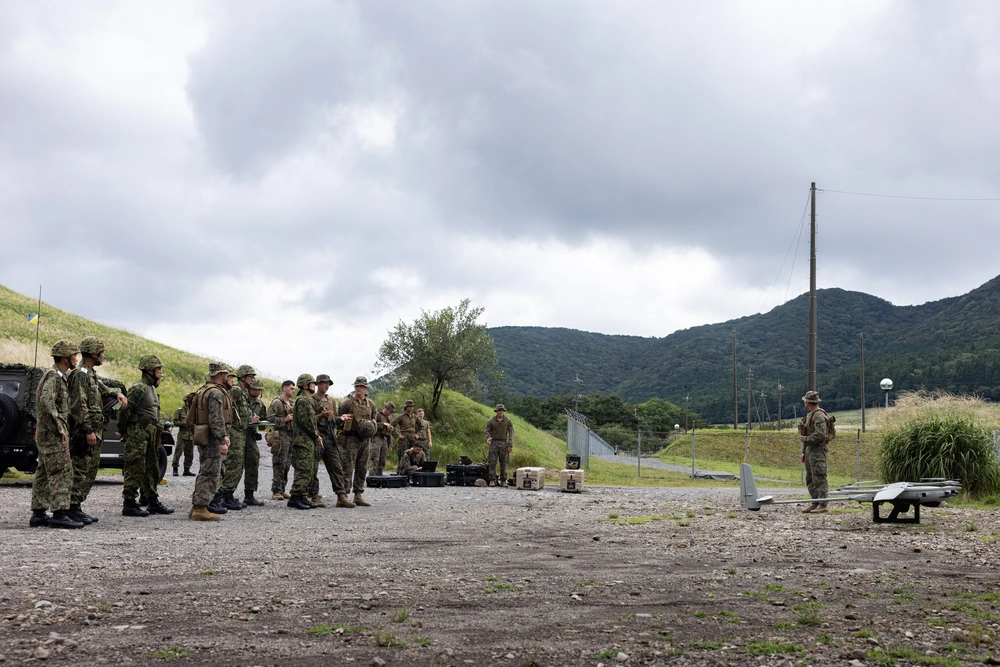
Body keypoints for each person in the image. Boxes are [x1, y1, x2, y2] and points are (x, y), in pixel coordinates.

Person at [67, 335, 126, 525]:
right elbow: (79, 405)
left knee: (90, 470)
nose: (103, 356)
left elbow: (102, 388)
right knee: (80, 469)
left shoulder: (90, 373)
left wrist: (116, 393)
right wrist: (88, 429)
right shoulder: (80, 375)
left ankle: (77, 507)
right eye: (101, 352)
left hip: (95, 431)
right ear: (93, 353)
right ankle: (71, 507)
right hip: (86, 432)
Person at [29, 340, 85, 529]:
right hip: (53, 434)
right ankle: (60, 513)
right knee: (62, 471)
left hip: (46, 434)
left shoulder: (56, 376)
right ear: (65, 358)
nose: (76, 359)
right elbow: (47, 401)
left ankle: (38, 513)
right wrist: (59, 425)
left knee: (44, 472)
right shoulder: (54, 377)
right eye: (73, 356)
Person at [118, 354, 174, 516]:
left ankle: (152, 500)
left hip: (149, 433)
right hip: (138, 433)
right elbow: (125, 410)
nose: (160, 372)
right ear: (149, 370)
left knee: (152, 467)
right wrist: (123, 430)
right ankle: (129, 503)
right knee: (135, 466)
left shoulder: (151, 388)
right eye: (158, 369)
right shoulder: (139, 388)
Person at [188, 362, 235, 521]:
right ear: (221, 374)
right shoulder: (215, 393)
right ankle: (200, 508)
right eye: (226, 373)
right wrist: (222, 438)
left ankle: (197, 506)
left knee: (205, 470)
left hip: (206, 435)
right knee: (211, 473)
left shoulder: (204, 390)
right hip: (212, 438)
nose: (228, 376)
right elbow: (216, 418)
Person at [217, 364, 258, 511]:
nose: (253, 380)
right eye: (250, 377)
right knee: (234, 464)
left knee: (238, 464)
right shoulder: (235, 391)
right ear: (243, 377)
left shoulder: (242, 392)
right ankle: (225, 495)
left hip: (241, 432)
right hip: (235, 432)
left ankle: (228, 494)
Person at [309, 374, 351, 508]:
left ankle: (341, 496)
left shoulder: (331, 401)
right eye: (324, 383)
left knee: (336, 466)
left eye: (328, 384)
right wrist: (320, 416)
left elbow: (334, 420)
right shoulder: (312, 400)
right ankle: (314, 495)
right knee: (313, 467)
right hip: (317, 436)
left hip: (329, 436)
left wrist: (340, 419)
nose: (326, 386)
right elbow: (307, 420)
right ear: (318, 384)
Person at [337, 376, 378, 507]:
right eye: (357, 386)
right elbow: (338, 420)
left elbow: (374, 420)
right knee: (347, 467)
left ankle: (358, 495)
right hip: (351, 438)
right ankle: (343, 496)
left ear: (366, 388)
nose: (359, 389)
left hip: (365, 440)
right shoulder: (346, 403)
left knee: (362, 467)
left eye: (362, 386)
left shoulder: (370, 404)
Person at [288, 374, 323, 510]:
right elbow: (307, 421)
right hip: (303, 441)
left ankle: (301, 495)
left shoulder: (306, 400)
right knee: (303, 469)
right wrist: (316, 435)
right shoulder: (303, 401)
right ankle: (296, 496)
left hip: (306, 440)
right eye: (311, 383)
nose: (314, 385)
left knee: (308, 469)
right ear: (304, 385)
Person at [799, 390, 830, 514]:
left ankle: (823, 504)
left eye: (805, 401)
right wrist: (803, 452)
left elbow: (820, 434)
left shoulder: (818, 415)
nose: (804, 403)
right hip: (809, 450)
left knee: (819, 476)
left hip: (818, 450)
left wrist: (805, 439)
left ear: (808, 402)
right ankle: (815, 502)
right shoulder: (810, 415)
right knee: (810, 477)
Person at [267, 380, 295, 499]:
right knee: (279, 463)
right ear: (284, 388)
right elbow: (269, 418)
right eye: (291, 388)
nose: (293, 391)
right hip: (281, 436)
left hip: (290, 436)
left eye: (293, 389)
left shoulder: (292, 403)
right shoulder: (277, 403)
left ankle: (282, 488)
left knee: (287, 464)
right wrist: (285, 420)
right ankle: (276, 490)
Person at [243, 379, 267, 506]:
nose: (257, 392)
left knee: (253, 461)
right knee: (233, 465)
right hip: (238, 434)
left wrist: (261, 423)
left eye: (259, 390)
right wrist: (249, 420)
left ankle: (249, 494)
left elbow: (264, 420)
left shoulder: (260, 404)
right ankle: (225, 493)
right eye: (255, 389)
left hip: (251, 436)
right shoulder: (241, 401)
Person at [484, 404, 514, 487]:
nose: (500, 412)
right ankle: (492, 480)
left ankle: (503, 480)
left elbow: (511, 433)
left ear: (504, 411)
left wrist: (510, 444)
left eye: (502, 410)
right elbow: (487, 430)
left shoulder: (508, 421)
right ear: (496, 411)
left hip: (504, 443)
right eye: (499, 410)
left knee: (504, 462)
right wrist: (488, 437)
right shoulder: (491, 421)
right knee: (492, 462)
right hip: (494, 443)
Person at [368, 401, 396, 476]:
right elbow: (372, 425)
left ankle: (379, 476)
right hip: (377, 438)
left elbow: (389, 433)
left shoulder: (388, 419)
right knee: (375, 458)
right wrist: (383, 424)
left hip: (385, 439)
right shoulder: (377, 415)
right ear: (387, 409)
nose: (391, 413)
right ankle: (372, 476)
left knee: (382, 459)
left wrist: (390, 444)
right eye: (391, 411)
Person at [172, 393, 195, 477]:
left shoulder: (193, 411)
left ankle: (187, 469)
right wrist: (183, 423)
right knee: (178, 452)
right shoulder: (179, 411)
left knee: (190, 454)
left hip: (191, 434)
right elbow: (175, 422)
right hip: (183, 434)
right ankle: (175, 469)